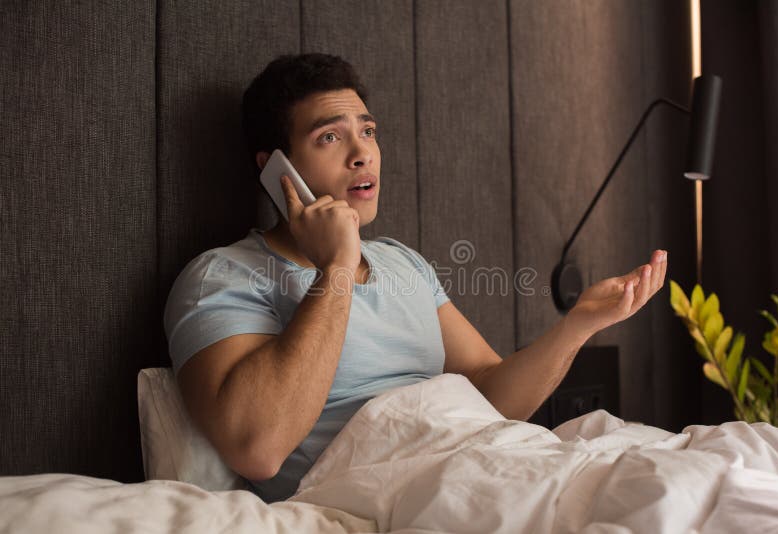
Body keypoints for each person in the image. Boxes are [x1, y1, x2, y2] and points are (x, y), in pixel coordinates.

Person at [163, 53, 667, 503]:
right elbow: (259, 447)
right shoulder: (222, 276)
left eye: (368, 131)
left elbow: (492, 396)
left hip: (484, 461)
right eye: (330, 137)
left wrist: (577, 327)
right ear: (275, 170)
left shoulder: (403, 263)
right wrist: (337, 266)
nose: (362, 153)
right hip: (396, 489)